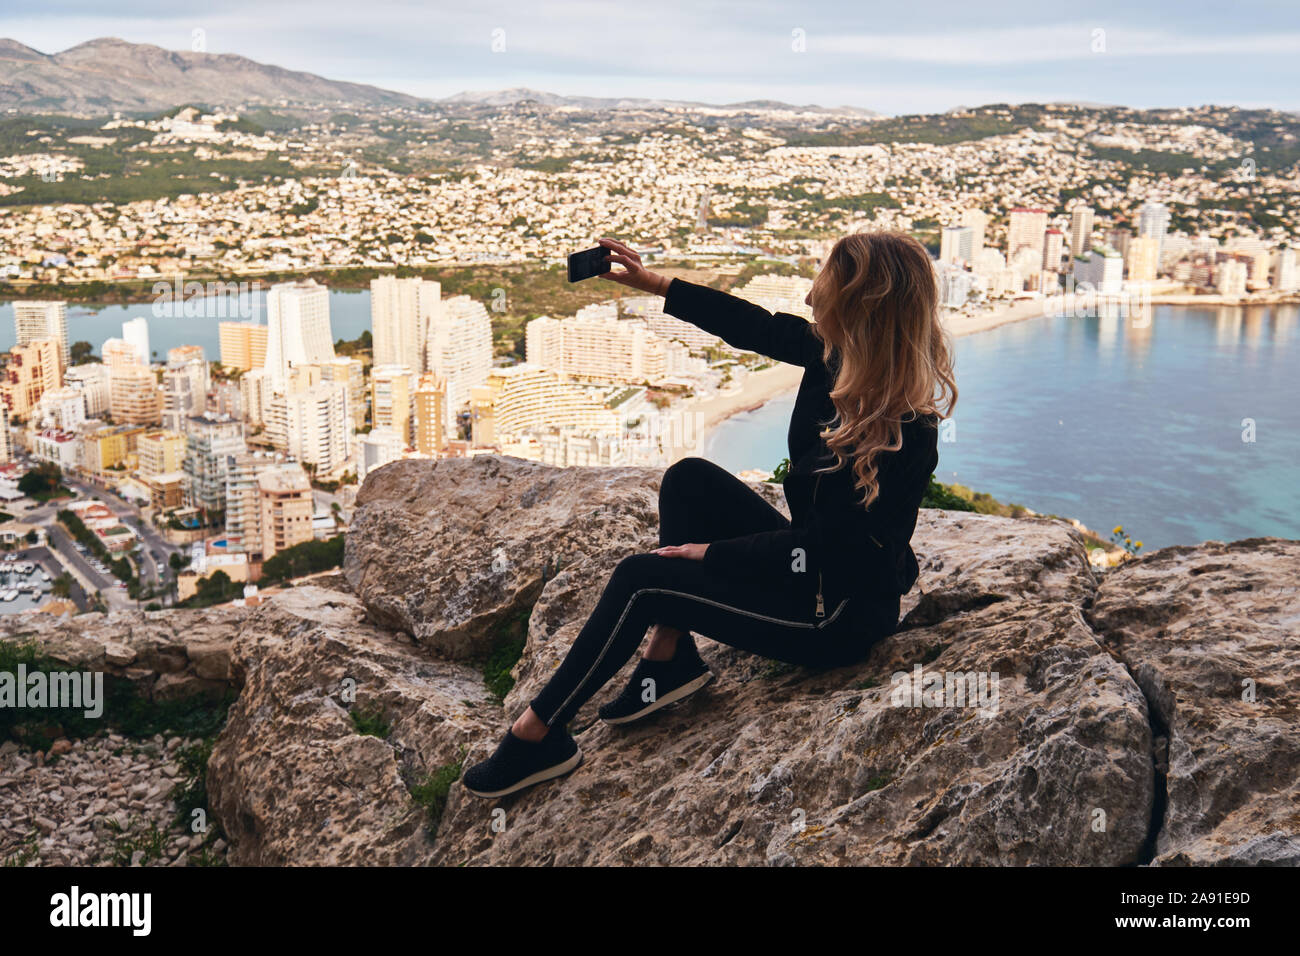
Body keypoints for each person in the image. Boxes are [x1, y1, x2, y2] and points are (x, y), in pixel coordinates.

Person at [463, 233, 957, 798]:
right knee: (689, 479)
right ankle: (668, 657)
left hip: (836, 615)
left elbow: (832, 545)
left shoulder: (906, 431)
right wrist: (654, 284)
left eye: (825, 284)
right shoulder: (836, 359)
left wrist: (712, 554)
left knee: (643, 578)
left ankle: (538, 733)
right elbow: (754, 326)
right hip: (807, 569)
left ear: (859, 307)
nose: (809, 295)